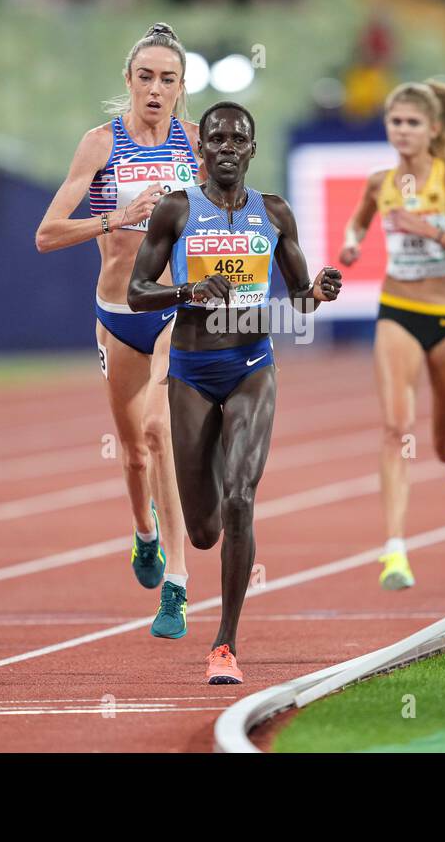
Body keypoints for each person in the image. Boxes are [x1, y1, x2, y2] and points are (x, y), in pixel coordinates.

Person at [128, 101, 342, 683]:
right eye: (215, 137)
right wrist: (189, 291)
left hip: (252, 367)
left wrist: (319, 289)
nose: (226, 146)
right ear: (201, 149)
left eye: (237, 138)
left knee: (241, 498)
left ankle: (224, 644)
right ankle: (205, 481)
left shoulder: (273, 214)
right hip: (192, 372)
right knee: (203, 532)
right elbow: (138, 290)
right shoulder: (177, 210)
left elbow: (299, 297)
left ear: (252, 148)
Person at [34, 23, 197, 638]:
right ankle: (145, 535)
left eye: (168, 80)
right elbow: (47, 235)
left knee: (160, 433)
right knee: (134, 453)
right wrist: (114, 219)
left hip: (174, 310)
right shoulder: (101, 144)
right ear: (128, 82)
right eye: (146, 77)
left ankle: (177, 588)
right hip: (118, 316)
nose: (156, 89)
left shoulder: (195, 149)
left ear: (182, 90)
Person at [338, 79, 445, 591]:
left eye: (412, 122)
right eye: (395, 122)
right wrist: (350, 246)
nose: (403, 130)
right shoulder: (377, 182)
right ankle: (394, 551)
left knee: (444, 446)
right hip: (398, 312)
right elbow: (357, 224)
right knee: (394, 427)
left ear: (433, 129)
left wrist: (430, 230)